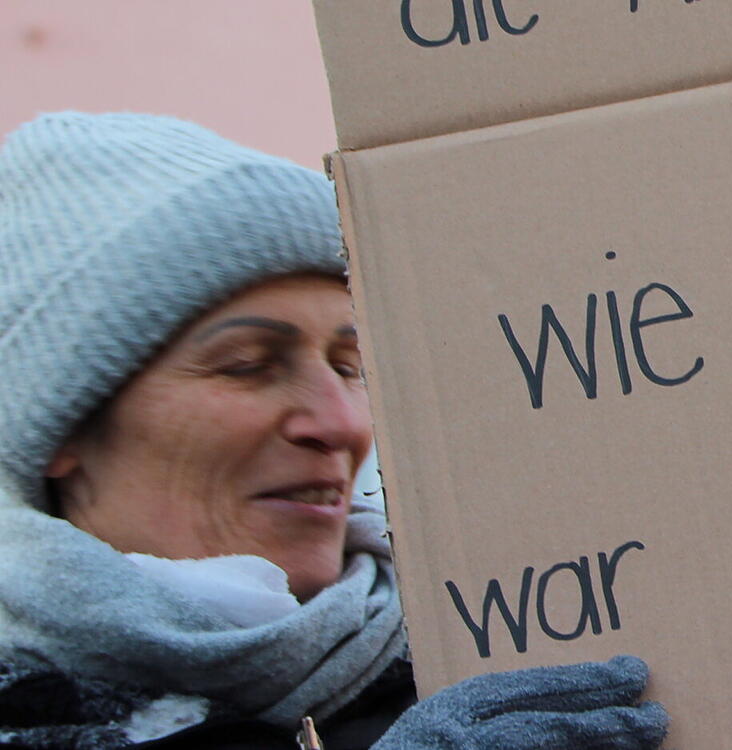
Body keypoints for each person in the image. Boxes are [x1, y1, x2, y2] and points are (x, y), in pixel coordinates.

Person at [0, 112, 671, 749]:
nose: (341, 424)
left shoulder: (496, 655)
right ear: (60, 429)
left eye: (349, 367)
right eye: (247, 366)